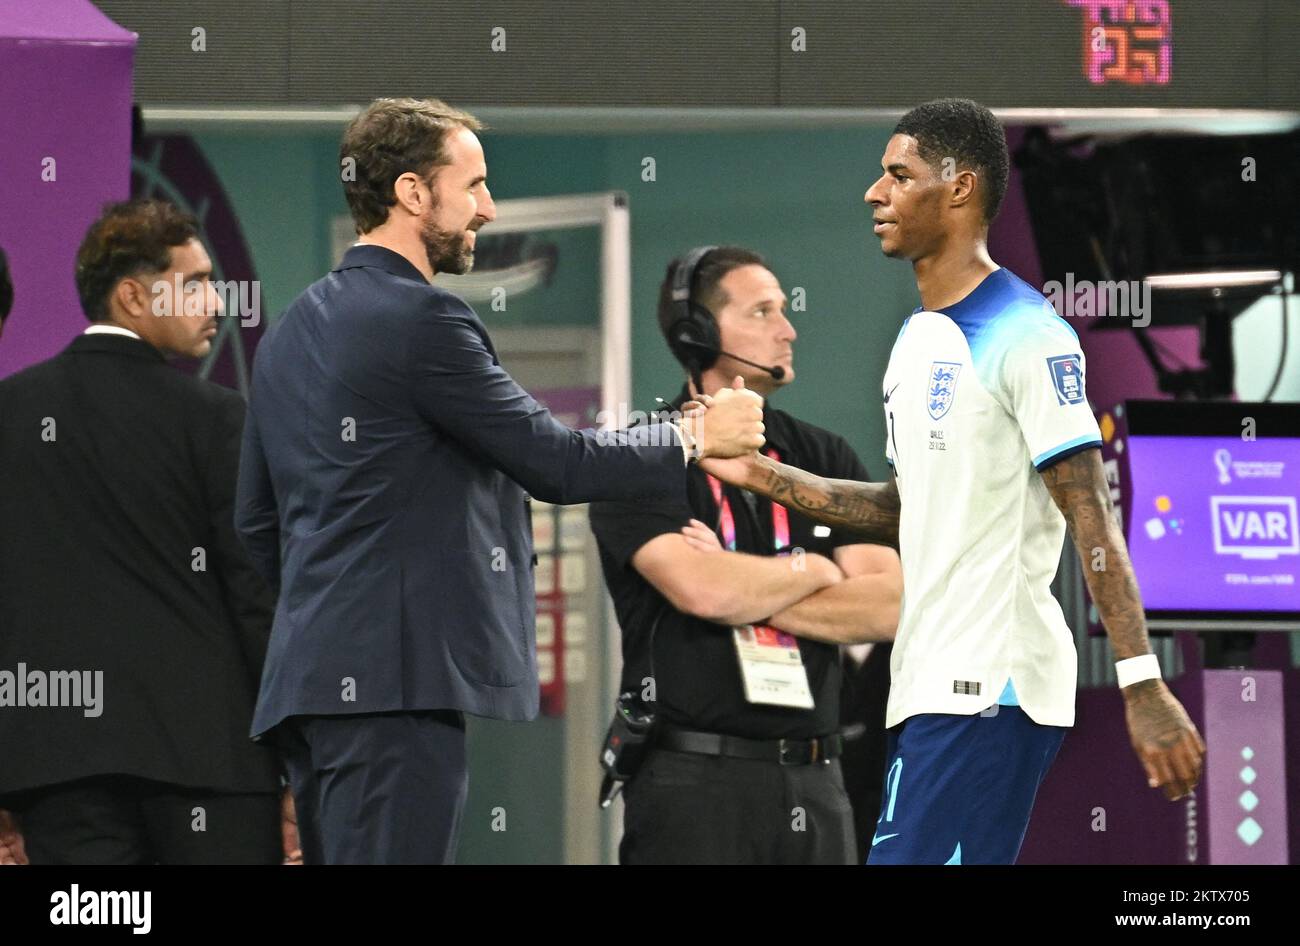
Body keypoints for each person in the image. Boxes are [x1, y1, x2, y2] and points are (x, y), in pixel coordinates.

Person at [234, 98, 765, 865]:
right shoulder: (425, 321)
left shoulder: (287, 332)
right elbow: (555, 461)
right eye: (474, 184)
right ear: (413, 193)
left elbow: (256, 521)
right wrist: (690, 433)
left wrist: (336, 616)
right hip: (398, 693)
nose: (488, 207)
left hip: (315, 691)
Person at [699, 99, 1205, 865]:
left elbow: (1092, 522)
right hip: (931, 687)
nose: (875, 193)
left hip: (990, 688)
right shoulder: (915, 341)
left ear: (960, 189)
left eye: (899, 175)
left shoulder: (1030, 336)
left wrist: (1141, 683)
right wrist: (764, 476)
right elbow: (907, 510)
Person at [589, 245, 901, 864]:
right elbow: (700, 590)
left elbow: (889, 606)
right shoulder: (638, 457)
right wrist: (814, 571)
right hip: (695, 779)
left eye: (783, 310)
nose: (788, 329)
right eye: (762, 312)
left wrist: (745, 590)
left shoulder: (825, 457)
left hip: (817, 781)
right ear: (699, 333)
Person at [0, 199, 286, 864]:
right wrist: (297, 758)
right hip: (210, 767)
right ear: (132, 295)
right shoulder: (218, 418)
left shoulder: (9, 416)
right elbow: (257, 599)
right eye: (195, 283)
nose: (217, 303)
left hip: (57, 773)